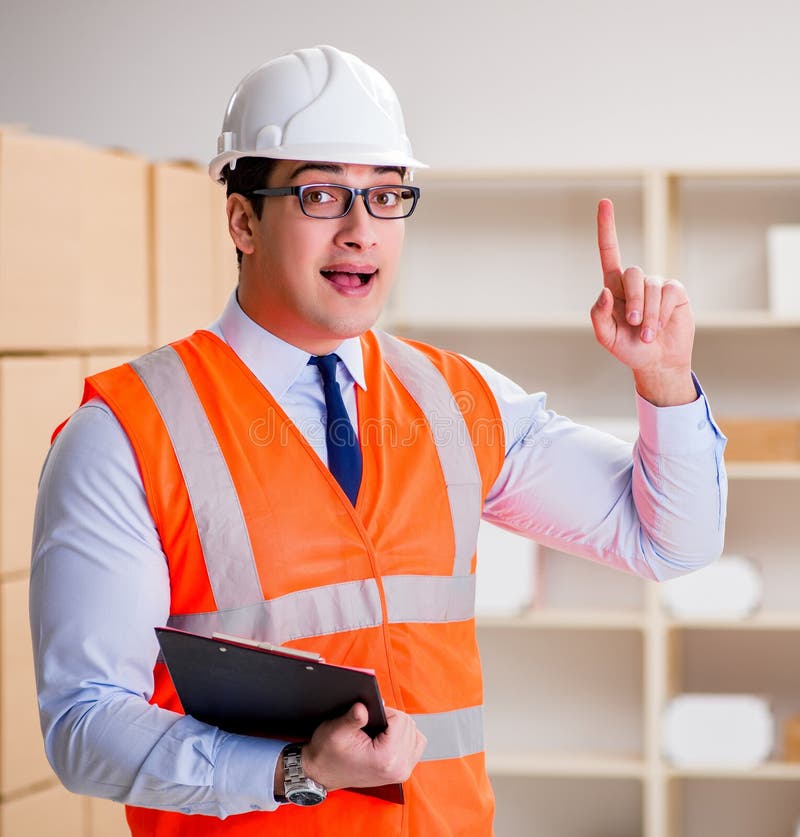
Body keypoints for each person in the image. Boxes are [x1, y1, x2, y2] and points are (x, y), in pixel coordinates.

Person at [29, 44, 726, 836]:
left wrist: (665, 382)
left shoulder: (458, 401)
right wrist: (293, 771)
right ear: (242, 219)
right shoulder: (126, 433)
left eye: (388, 196)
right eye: (323, 195)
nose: (362, 231)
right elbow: (83, 726)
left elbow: (672, 541)